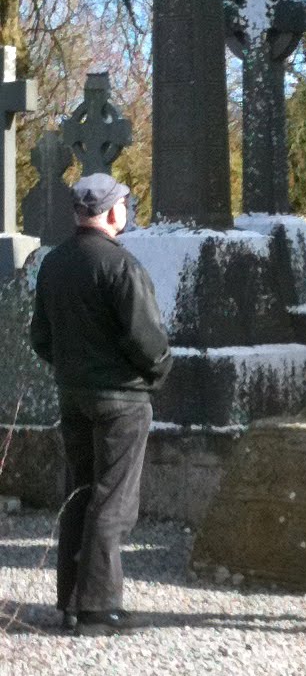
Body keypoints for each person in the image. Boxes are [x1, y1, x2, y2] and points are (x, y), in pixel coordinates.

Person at [30, 173, 172, 637]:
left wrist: (71, 370)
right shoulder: (120, 266)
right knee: (114, 502)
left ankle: (70, 601)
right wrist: (156, 372)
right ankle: (97, 609)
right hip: (122, 398)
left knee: (80, 494)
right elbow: (146, 340)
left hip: (73, 394)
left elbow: (41, 338)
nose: (126, 212)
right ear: (112, 212)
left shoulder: (53, 263)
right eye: (125, 205)